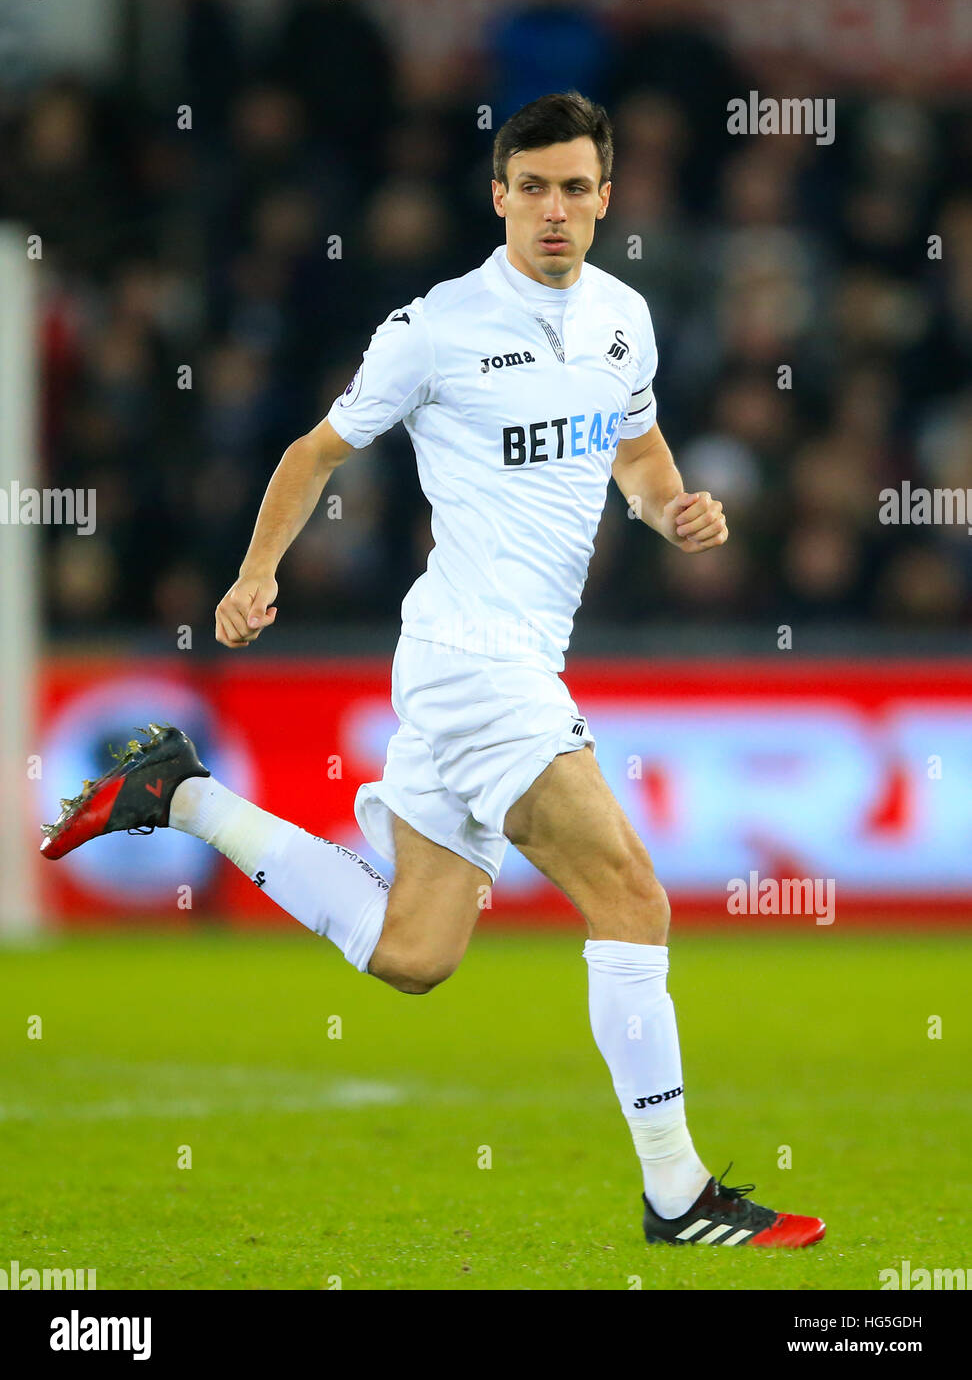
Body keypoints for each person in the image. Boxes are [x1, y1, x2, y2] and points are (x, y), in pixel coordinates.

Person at [42, 92, 823, 1249]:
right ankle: (678, 1194)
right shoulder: (436, 327)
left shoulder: (625, 320)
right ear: (498, 195)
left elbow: (638, 444)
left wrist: (673, 511)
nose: (555, 210)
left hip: (482, 662)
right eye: (534, 187)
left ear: (607, 198)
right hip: (477, 665)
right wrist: (256, 574)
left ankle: (180, 792)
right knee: (633, 898)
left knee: (414, 955)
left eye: (576, 188)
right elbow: (315, 452)